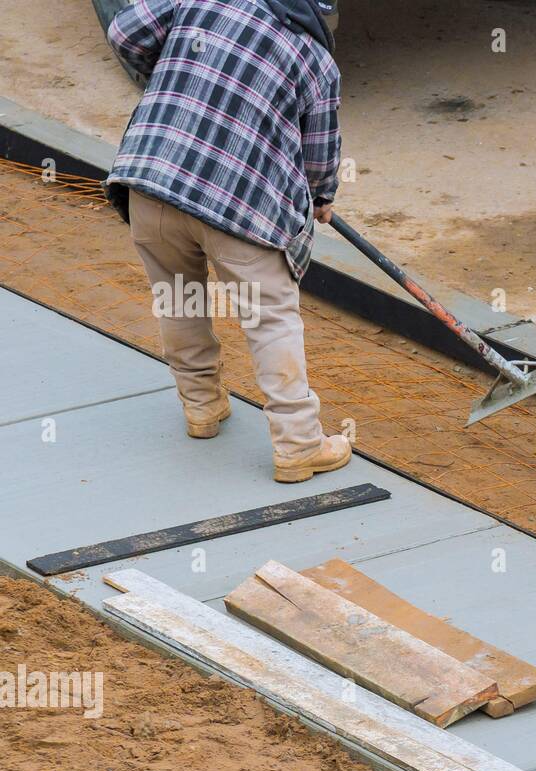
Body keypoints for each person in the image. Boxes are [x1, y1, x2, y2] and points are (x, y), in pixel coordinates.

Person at [104, 0, 351, 482]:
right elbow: (320, 153)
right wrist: (321, 196)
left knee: (178, 297)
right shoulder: (316, 60)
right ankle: (299, 443)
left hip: (152, 181)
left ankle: (201, 408)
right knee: (270, 318)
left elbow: (124, 32)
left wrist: (170, 82)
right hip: (240, 202)